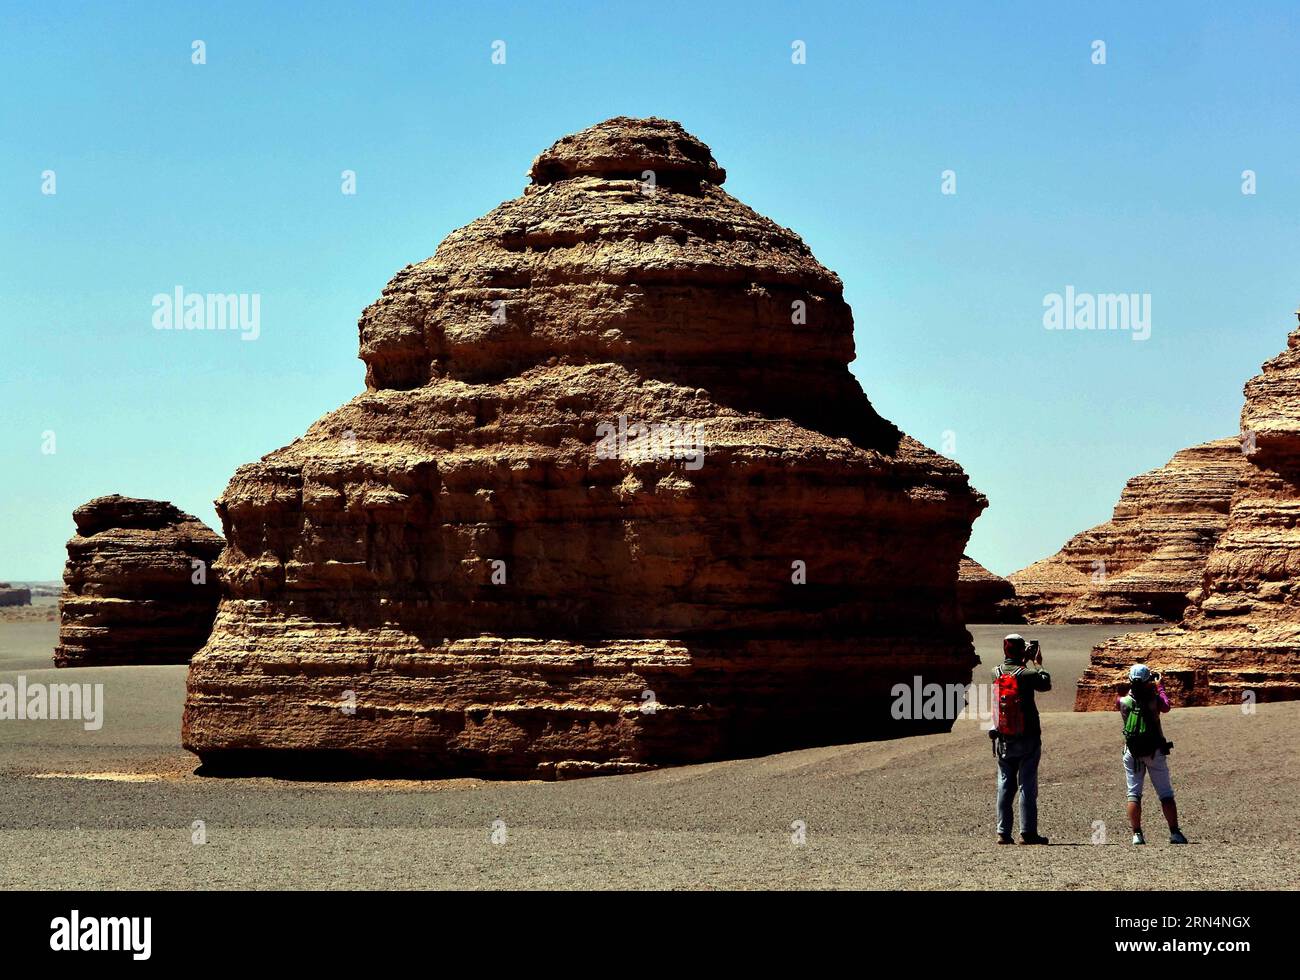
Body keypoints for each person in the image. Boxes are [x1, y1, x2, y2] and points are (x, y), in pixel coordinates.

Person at [992, 633, 1051, 845]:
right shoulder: (1027, 674)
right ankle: (1028, 833)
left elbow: (1012, 673)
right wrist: (1037, 663)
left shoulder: (995, 672)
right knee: (1027, 784)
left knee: (1005, 785)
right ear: (1021, 650)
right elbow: (1045, 683)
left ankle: (1003, 833)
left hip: (1004, 737)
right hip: (1028, 736)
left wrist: (1021, 660)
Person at [1119, 664, 1188, 845]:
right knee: (1165, 793)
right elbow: (1166, 707)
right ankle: (1174, 833)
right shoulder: (1154, 700)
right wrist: (1160, 687)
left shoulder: (1123, 702)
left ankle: (1137, 835)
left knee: (1133, 793)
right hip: (1154, 752)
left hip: (1132, 752)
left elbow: (1125, 698)